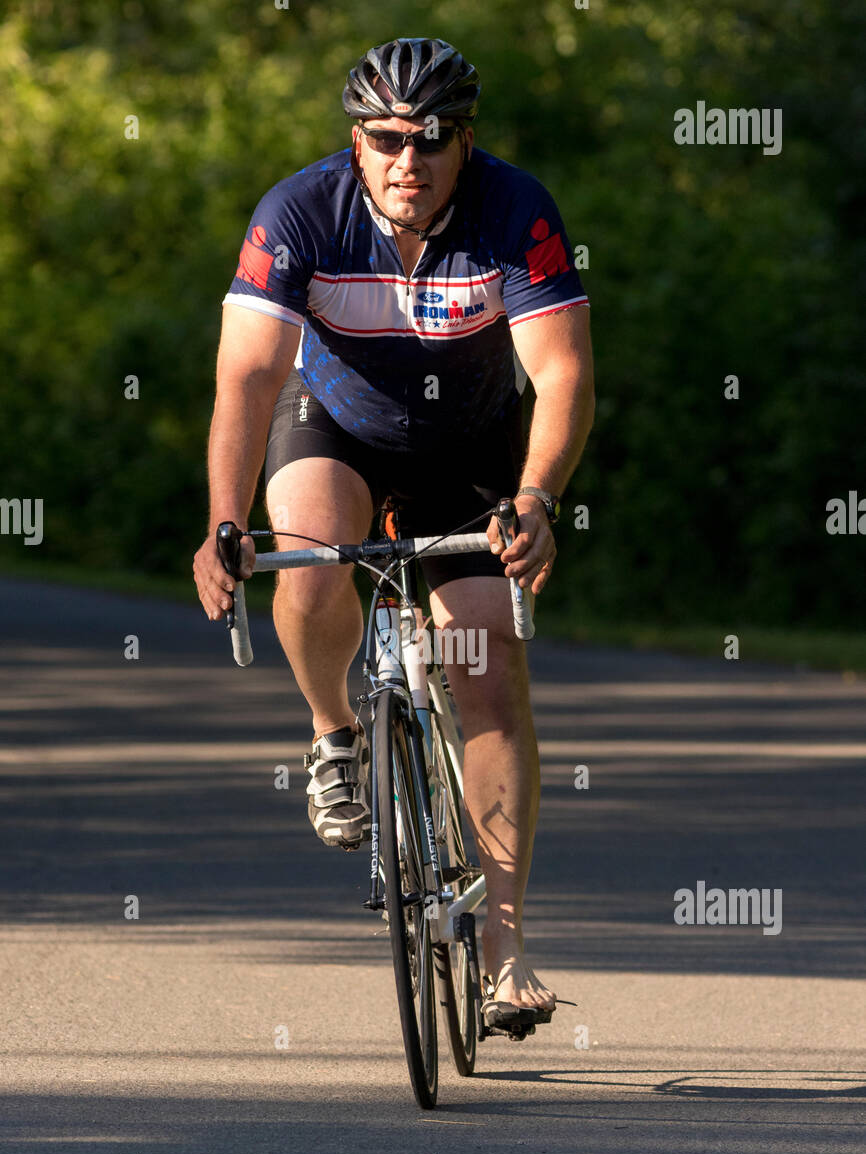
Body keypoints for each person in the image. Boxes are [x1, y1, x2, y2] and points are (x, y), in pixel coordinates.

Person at [193, 37, 594, 1020]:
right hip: (333, 426)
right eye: (383, 140)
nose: (405, 162)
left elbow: (561, 374)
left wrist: (536, 498)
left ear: (466, 141)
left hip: (468, 447)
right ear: (356, 142)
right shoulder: (298, 214)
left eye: (431, 139)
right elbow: (246, 376)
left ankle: (502, 949)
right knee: (312, 567)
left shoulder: (514, 211)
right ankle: (336, 733)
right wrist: (223, 519)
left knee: (488, 670)